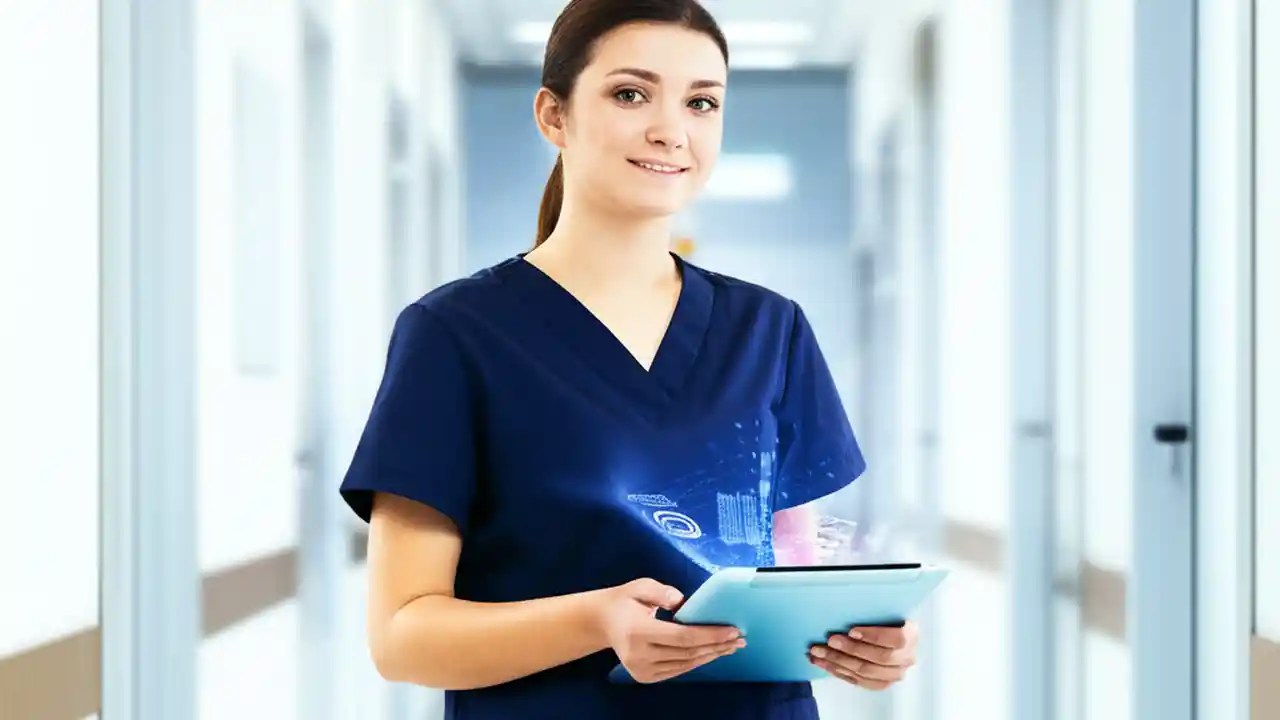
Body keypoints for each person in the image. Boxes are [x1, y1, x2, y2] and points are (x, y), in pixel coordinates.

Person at [338, 0, 919, 717]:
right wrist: (595, 622)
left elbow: (791, 574)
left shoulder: (769, 330)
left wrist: (854, 641)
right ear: (553, 116)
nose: (671, 130)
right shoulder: (456, 334)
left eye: (702, 102)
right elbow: (402, 637)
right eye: (630, 93)